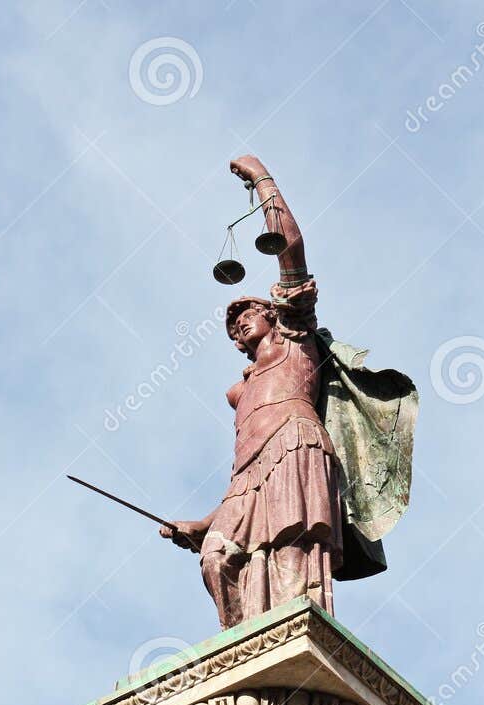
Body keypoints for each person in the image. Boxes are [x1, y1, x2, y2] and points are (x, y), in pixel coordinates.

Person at [160, 156, 415, 629]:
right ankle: (242, 652)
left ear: (273, 316)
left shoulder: (295, 340)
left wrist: (262, 182)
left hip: (298, 447)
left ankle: (294, 641)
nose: (238, 323)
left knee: (292, 561)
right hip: (250, 473)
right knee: (216, 558)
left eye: (247, 312)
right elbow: (244, 479)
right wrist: (202, 525)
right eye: (233, 325)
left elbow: (292, 252)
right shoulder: (241, 392)